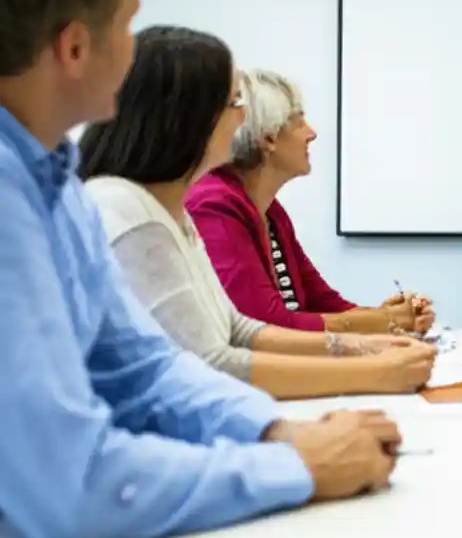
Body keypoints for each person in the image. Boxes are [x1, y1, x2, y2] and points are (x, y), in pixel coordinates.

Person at [0, 0, 400, 538]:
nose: (134, 51)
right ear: (74, 49)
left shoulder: (56, 185)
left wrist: (276, 430)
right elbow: (71, 486)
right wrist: (296, 466)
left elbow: (142, 367)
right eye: (126, 24)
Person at [79, 25, 437, 399]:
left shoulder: (171, 211)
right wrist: (370, 370)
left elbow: (239, 330)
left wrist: (367, 345)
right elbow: (211, 363)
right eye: (235, 104)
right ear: (191, 118)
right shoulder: (129, 210)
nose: (242, 120)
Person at [186, 69, 432, 334]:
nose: (312, 133)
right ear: (268, 138)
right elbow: (265, 325)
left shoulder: (271, 212)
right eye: (298, 120)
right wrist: (384, 321)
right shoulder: (212, 204)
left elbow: (323, 303)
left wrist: (387, 317)